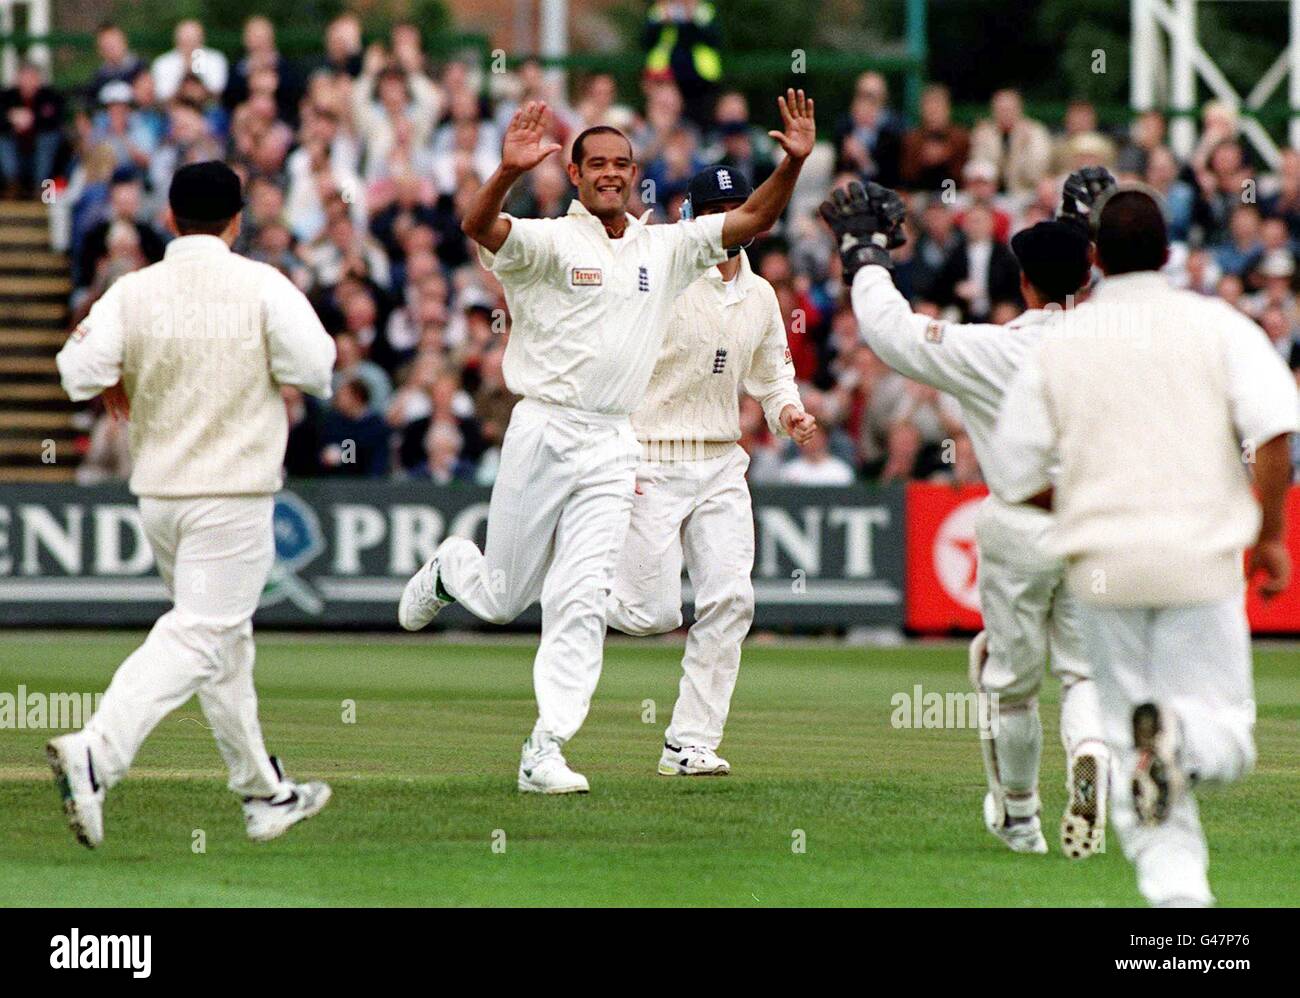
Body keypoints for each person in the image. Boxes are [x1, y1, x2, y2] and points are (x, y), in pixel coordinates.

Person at [398, 91, 817, 794]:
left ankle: (546, 746)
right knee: (504, 597)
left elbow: (751, 219)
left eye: (622, 164)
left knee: (583, 598)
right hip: (543, 428)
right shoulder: (548, 239)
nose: (611, 174)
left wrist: (793, 164)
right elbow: (477, 224)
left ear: (635, 172)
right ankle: (451, 571)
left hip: (616, 441)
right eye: (597, 164)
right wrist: (504, 173)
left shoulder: (667, 249)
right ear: (575, 172)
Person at [989, 188, 1299, 906]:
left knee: (1135, 753)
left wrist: (1083, 509)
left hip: (1105, 570)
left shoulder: (1063, 341)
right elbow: (1278, 428)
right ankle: (1183, 740)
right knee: (1227, 742)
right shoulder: (1215, 325)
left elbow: (1009, 472)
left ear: (1094, 258)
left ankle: (1179, 905)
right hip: (1200, 561)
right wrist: (1273, 534)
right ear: (1167, 253)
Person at [49, 162, 337, 849]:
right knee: (202, 633)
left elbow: (74, 371)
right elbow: (318, 369)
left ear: (171, 218)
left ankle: (264, 794)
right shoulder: (262, 283)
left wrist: (118, 376)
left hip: (160, 499)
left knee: (222, 645)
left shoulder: (133, 290)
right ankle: (97, 753)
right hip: (231, 497)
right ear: (237, 221)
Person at [824, 176, 1114, 858]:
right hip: (1098, 527)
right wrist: (1084, 228)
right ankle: (1094, 749)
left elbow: (892, 335)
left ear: (1021, 279)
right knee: (1085, 675)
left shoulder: (996, 349)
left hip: (1020, 524)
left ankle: (1020, 820)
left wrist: (866, 253)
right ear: (1090, 272)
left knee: (1009, 684)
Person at [606, 166, 815, 777]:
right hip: (651, 456)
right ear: (691, 217)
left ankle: (689, 742)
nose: (729, 220)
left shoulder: (759, 295)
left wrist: (788, 413)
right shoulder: (662, 275)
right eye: (716, 209)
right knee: (652, 614)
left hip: (722, 460)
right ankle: (564, 585)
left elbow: (772, 375)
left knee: (731, 598)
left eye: (737, 207)